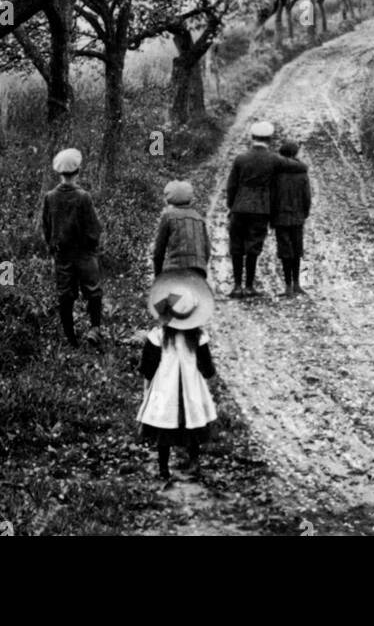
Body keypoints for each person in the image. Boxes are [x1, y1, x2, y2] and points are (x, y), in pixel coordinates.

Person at [137, 270, 217, 483]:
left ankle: (163, 467)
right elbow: (207, 369)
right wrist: (206, 379)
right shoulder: (198, 337)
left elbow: (147, 367)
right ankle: (194, 461)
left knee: (164, 426)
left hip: (165, 390)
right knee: (193, 422)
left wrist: (146, 388)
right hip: (192, 389)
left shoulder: (158, 336)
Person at [41, 147, 103, 347]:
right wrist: (93, 245)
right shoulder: (84, 196)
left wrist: (52, 248)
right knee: (93, 291)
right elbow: (93, 227)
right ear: (78, 171)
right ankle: (95, 329)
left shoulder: (50, 197)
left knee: (65, 295)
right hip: (84, 253)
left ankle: (71, 339)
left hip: (62, 255)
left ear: (59, 173)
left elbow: (46, 226)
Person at [225, 120, 279, 298]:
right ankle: (249, 286)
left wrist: (231, 206)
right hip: (261, 209)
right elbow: (276, 187)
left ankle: (237, 286)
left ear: (252, 138)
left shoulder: (241, 159)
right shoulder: (274, 160)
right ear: (269, 139)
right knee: (253, 246)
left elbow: (231, 186)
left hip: (239, 207)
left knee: (236, 245)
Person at [270, 139, 312, 297]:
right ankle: (297, 284)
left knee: (285, 251)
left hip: (280, 217)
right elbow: (306, 197)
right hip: (297, 217)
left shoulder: (275, 173)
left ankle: (287, 286)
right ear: (295, 153)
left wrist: (271, 216)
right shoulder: (302, 172)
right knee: (297, 250)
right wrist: (304, 213)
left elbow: (271, 196)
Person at [152, 180, 210, 278]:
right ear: (190, 199)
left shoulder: (168, 217)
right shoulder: (199, 218)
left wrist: (158, 276)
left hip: (174, 269)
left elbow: (159, 251)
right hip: (199, 270)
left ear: (169, 199)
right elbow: (207, 250)